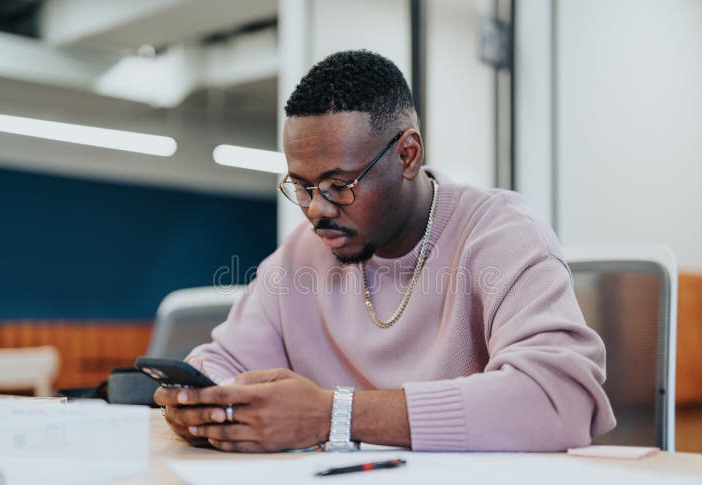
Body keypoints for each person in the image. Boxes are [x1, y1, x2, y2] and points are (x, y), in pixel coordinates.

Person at [155, 50, 616, 453]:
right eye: (301, 187)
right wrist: (201, 402)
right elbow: (220, 362)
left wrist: (332, 415)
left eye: (339, 185)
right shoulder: (301, 256)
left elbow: (558, 399)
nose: (316, 209)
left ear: (407, 156)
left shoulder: (503, 235)